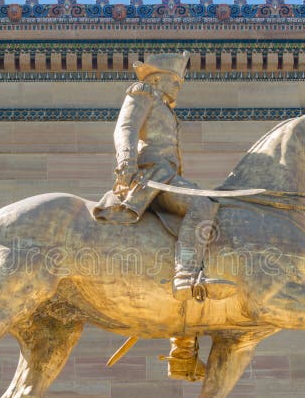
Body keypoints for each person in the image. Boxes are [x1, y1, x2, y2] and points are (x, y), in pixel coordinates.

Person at [93, 52, 235, 381]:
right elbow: (125, 128)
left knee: (208, 228)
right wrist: (125, 162)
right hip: (151, 176)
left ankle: (183, 350)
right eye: (175, 81)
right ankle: (185, 278)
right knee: (203, 205)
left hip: (168, 177)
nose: (178, 87)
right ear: (158, 78)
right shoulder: (142, 93)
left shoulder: (168, 109)